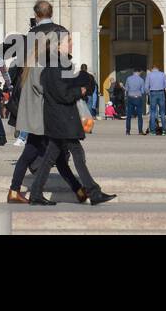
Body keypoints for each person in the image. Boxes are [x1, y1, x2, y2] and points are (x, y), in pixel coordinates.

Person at [25, 31, 116, 207]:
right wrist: (79, 91)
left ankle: (36, 193)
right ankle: (93, 192)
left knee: (51, 156)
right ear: (58, 46)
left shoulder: (57, 65)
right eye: (69, 41)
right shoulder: (55, 66)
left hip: (60, 118)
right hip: (62, 118)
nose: (72, 44)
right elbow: (61, 94)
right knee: (76, 152)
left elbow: (60, 88)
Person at [145, 64, 166, 136]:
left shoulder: (149, 75)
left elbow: (146, 87)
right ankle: (164, 131)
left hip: (152, 93)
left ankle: (153, 131)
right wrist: (161, 86)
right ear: (158, 68)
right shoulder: (162, 74)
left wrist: (148, 93)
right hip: (161, 93)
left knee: (152, 112)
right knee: (162, 112)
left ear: (152, 69)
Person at [123, 69, 147, 135]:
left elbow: (126, 89)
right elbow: (142, 91)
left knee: (129, 115)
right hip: (138, 98)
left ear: (133, 72)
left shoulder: (128, 78)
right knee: (140, 116)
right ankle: (140, 131)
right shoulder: (141, 80)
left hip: (130, 97)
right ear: (138, 72)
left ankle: (128, 131)